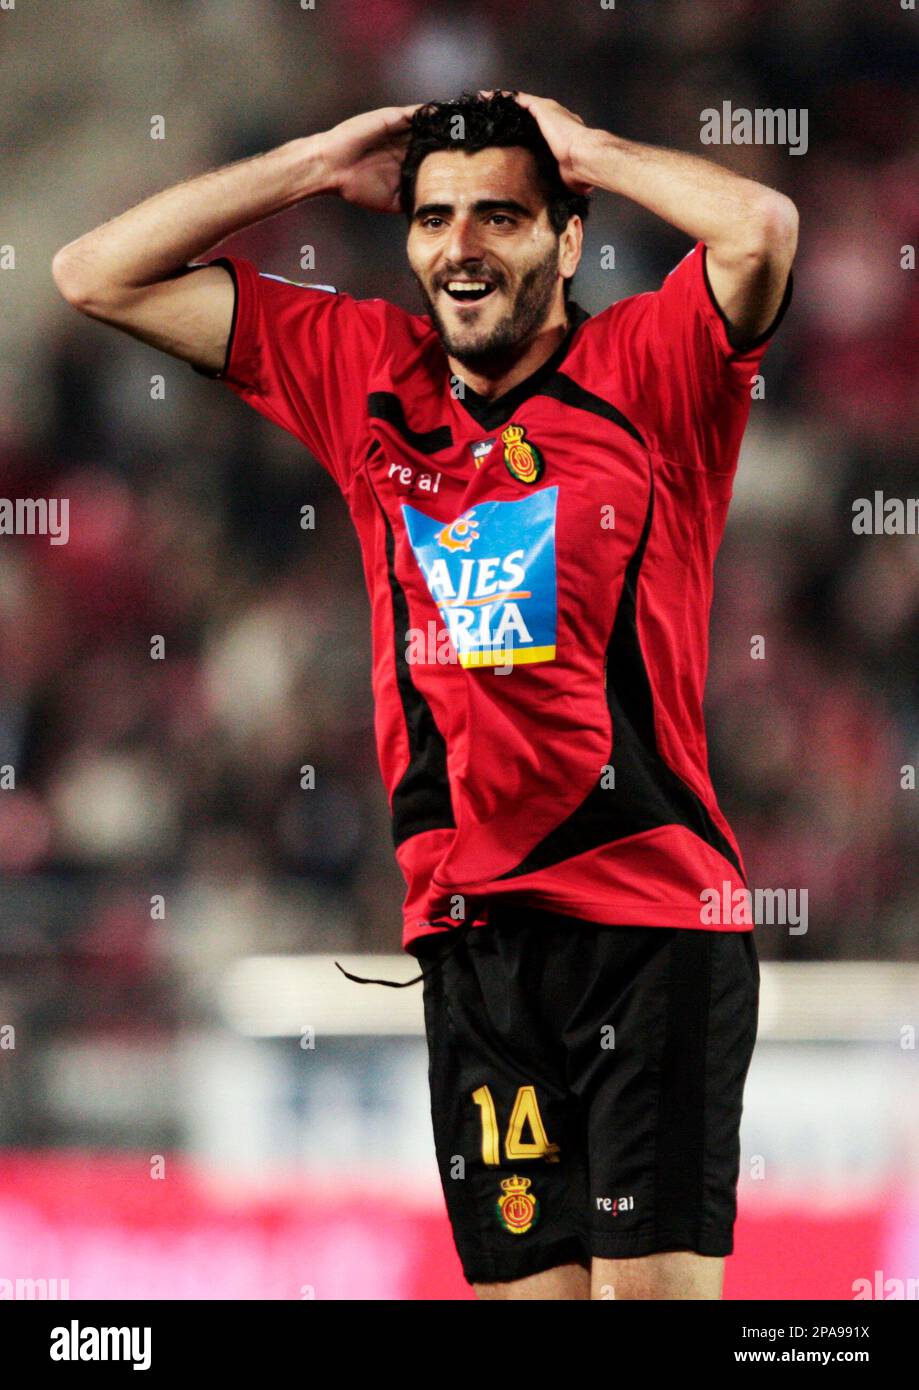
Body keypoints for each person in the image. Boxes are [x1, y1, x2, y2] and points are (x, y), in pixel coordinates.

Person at [52, 89, 797, 1301]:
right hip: (469, 942)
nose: (462, 248)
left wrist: (593, 147)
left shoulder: (652, 369)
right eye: (436, 217)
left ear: (567, 236)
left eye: (502, 216)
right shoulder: (367, 373)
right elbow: (96, 273)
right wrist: (310, 159)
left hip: (649, 925)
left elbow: (760, 228)